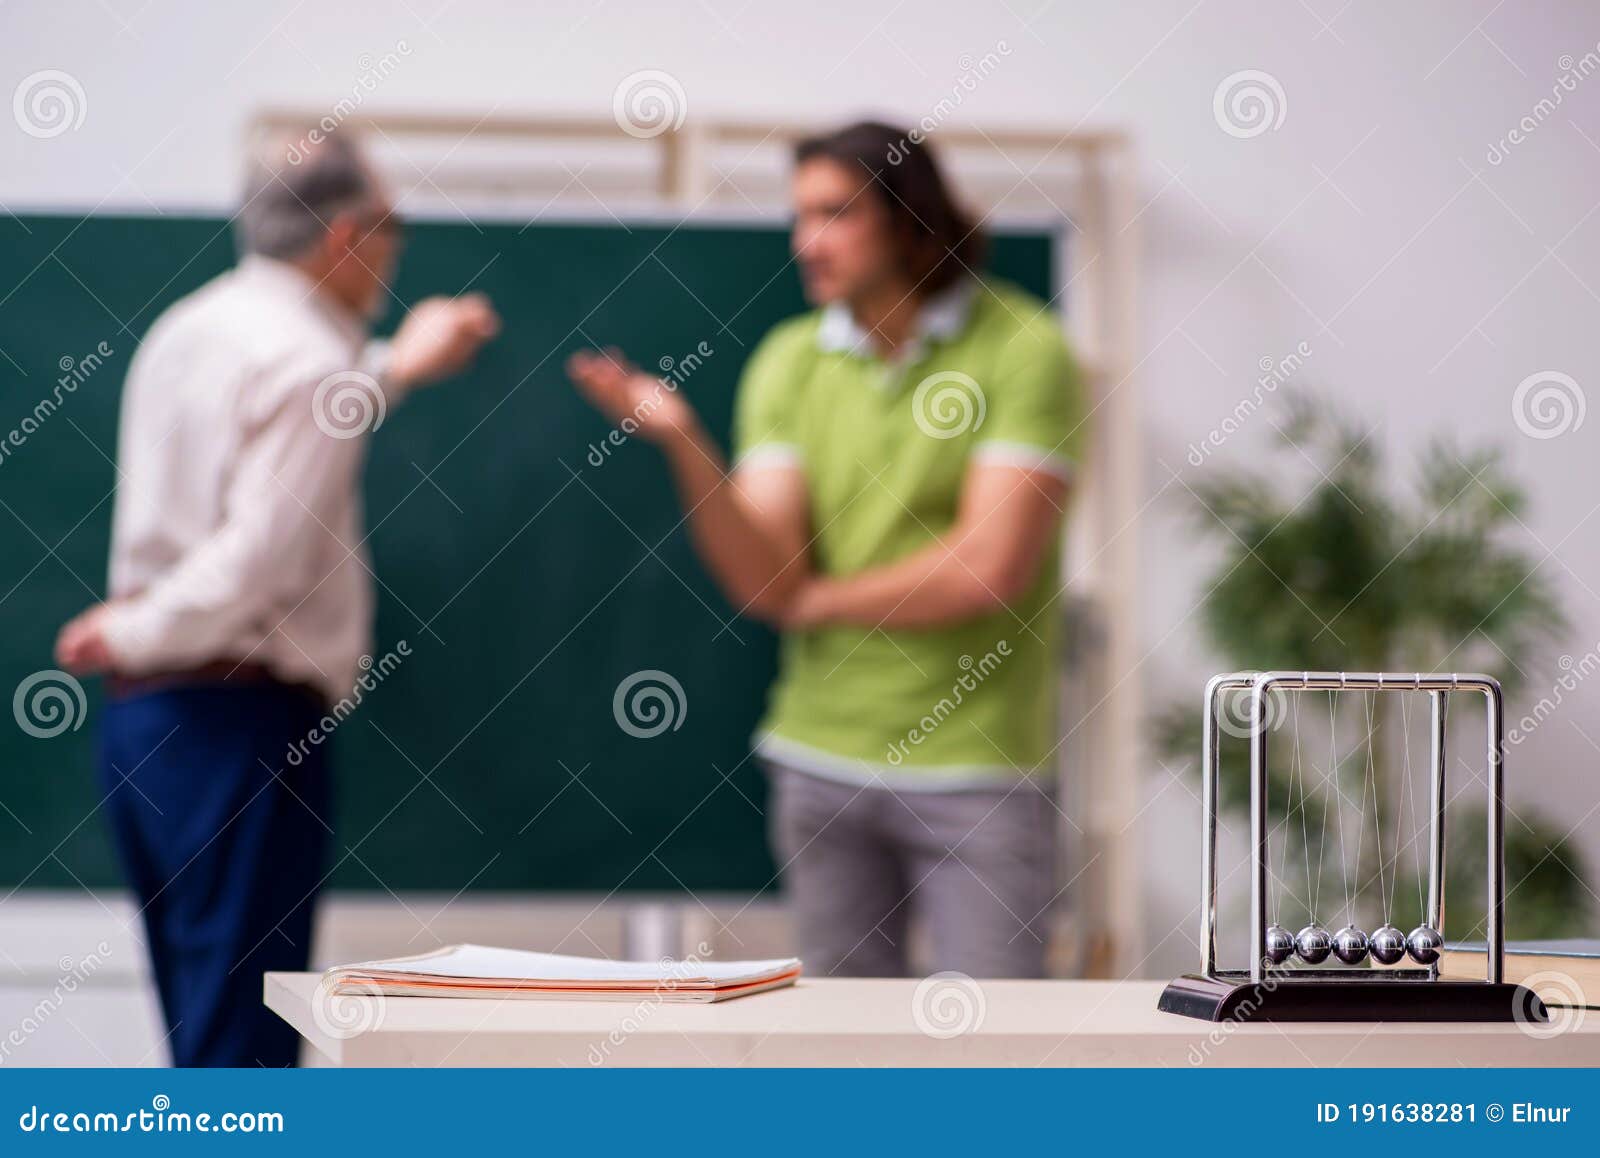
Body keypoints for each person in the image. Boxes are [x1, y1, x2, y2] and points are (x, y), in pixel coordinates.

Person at [567, 120, 1086, 978]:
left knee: (997, 1044)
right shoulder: (790, 360)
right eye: (800, 215)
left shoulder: (1025, 349)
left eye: (835, 214)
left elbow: (987, 568)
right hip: (818, 765)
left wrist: (816, 603)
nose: (806, 242)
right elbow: (764, 578)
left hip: (978, 769)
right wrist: (685, 441)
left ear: (909, 220)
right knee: (842, 1047)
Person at [52, 130, 500, 1066]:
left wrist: (392, 368)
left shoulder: (189, 327)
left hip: (149, 729)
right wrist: (133, 631)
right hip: (239, 727)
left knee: (205, 1036)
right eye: (392, 225)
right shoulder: (312, 359)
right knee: (243, 1056)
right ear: (345, 234)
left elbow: (297, 432)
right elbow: (255, 564)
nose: (396, 250)